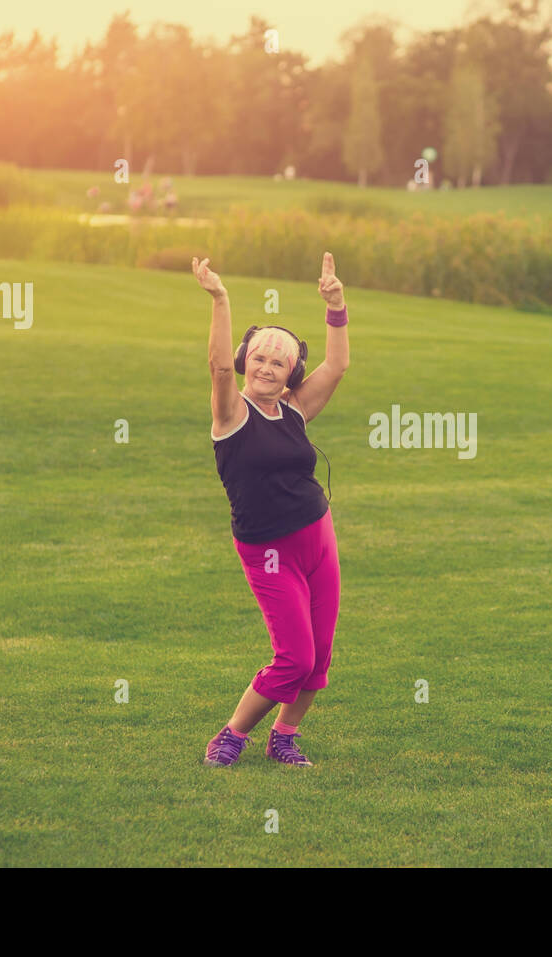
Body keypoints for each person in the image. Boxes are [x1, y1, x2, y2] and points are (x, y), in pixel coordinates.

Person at [194, 251, 350, 767]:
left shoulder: (295, 409)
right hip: (267, 552)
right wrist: (221, 298)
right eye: (258, 358)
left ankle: (285, 735)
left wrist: (336, 306)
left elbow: (338, 365)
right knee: (294, 658)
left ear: (291, 373)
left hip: (317, 538)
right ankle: (231, 736)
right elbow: (217, 366)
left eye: (277, 362)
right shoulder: (231, 414)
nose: (265, 367)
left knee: (319, 661)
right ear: (245, 360)